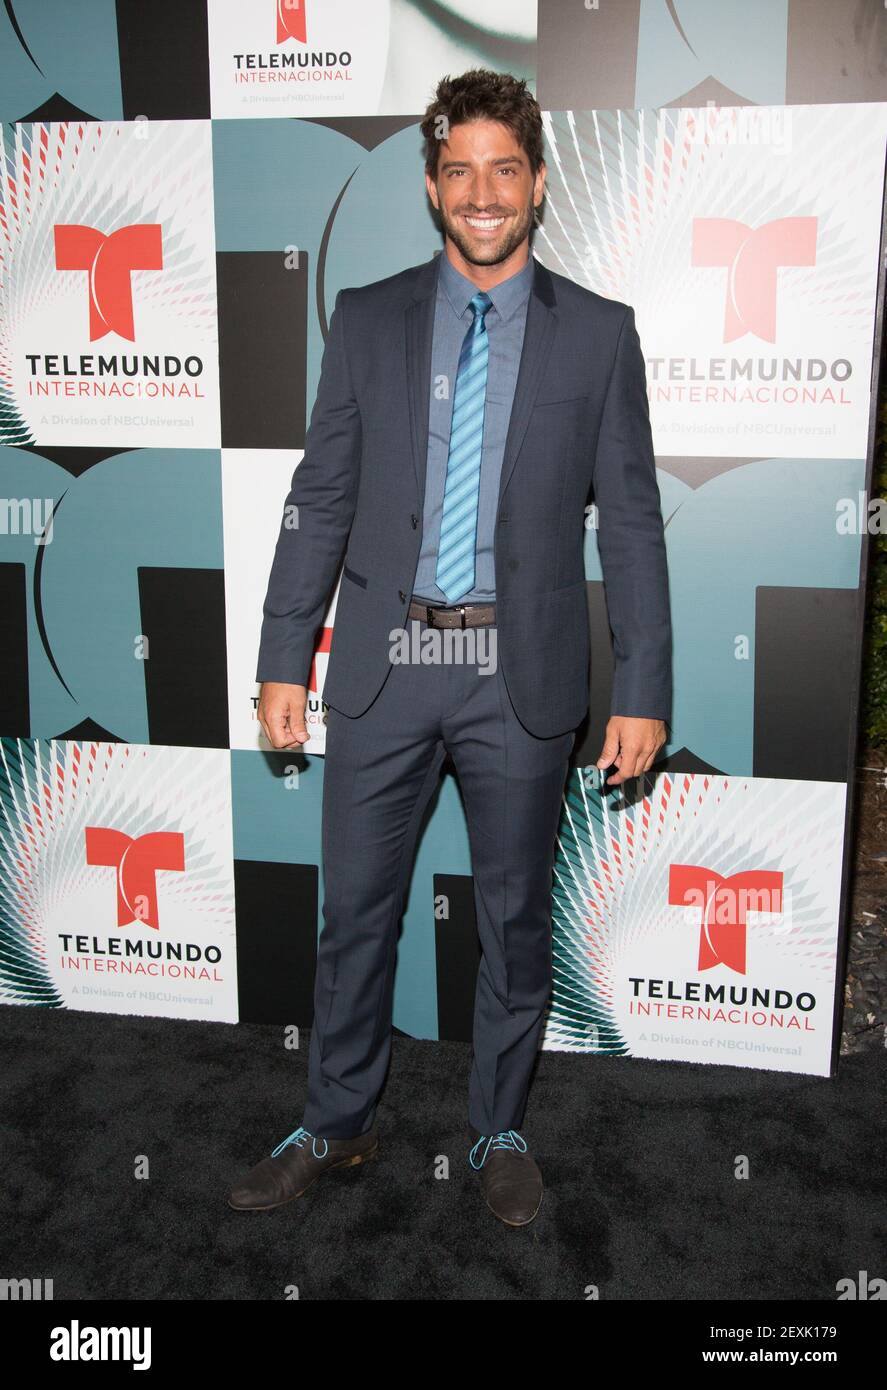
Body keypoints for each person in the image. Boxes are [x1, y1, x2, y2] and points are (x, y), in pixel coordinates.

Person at [228, 68, 672, 1226]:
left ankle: (499, 1127)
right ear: (432, 187)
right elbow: (319, 497)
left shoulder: (600, 335)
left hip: (516, 676)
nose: (483, 193)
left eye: (505, 169)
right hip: (382, 669)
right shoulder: (368, 318)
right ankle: (337, 1121)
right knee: (356, 913)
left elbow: (626, 518)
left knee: (515, 917)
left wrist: (643, 684)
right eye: (460, 170)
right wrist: (286, 658)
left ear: (535, 185)